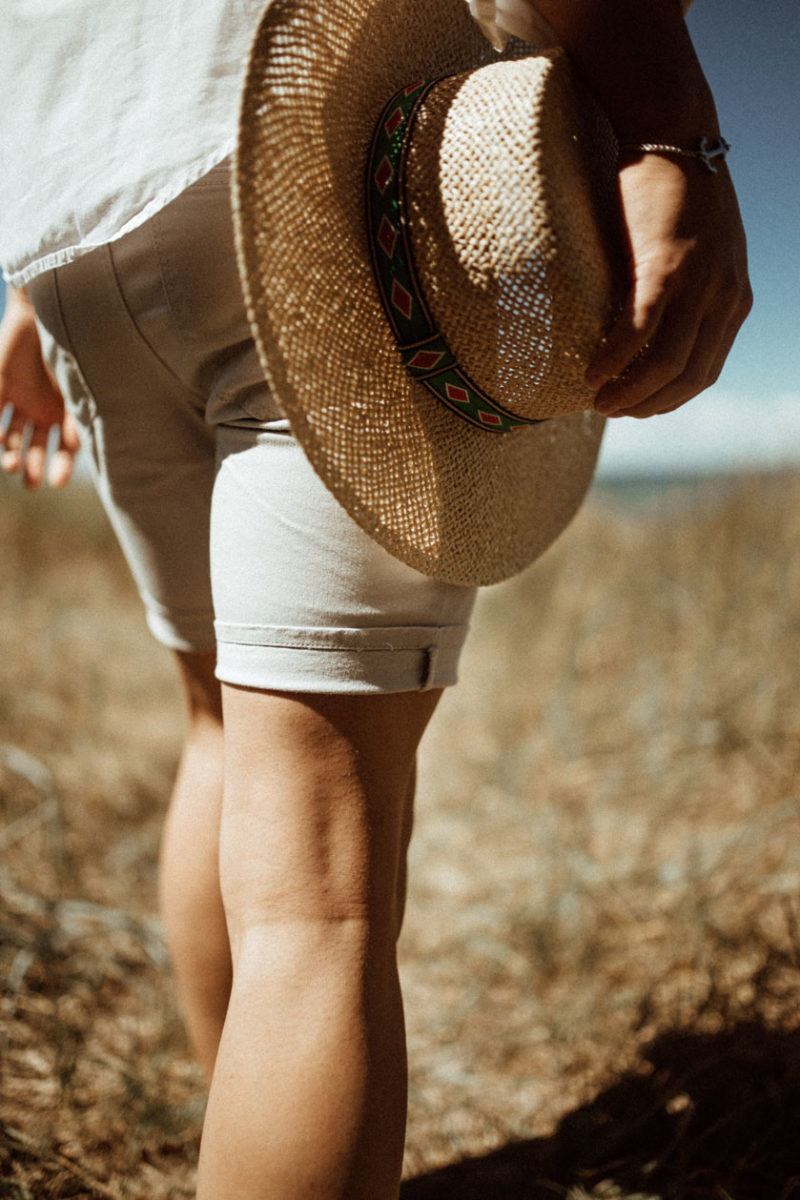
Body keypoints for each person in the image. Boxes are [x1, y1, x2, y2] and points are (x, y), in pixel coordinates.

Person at [0, 0, 751, 1197]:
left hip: (78, 226)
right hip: (320, 189)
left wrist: (42, 293)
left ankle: (248, 1126)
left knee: (220, 730)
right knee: (320, 901)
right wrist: (671, 138)